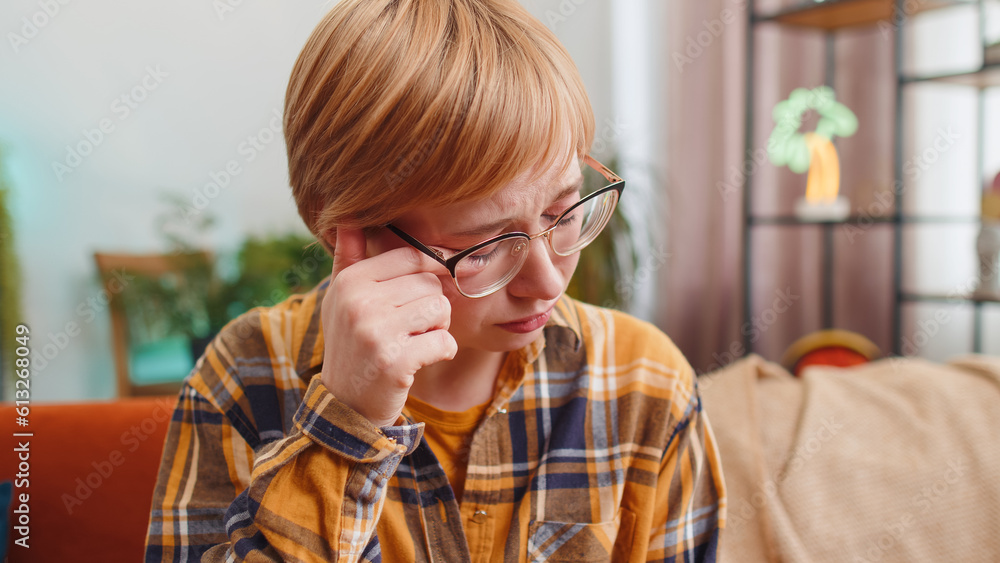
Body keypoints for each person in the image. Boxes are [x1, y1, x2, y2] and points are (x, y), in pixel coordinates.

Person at [143, 0, 726, 561]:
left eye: (563, 212)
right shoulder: (244, 377)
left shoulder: (645, 383)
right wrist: (346, 424)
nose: (547, 283)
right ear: (349, 233)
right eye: (484, 246)